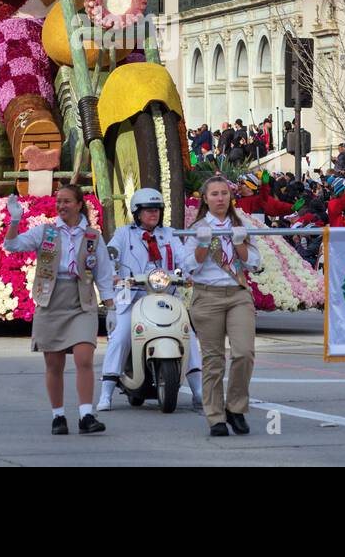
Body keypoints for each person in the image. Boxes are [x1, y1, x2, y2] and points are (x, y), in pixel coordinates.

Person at [2, 184, 113, 435]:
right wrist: (15, 220)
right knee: (54, 364)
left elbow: (104, 274)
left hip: (81, 300)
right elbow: (12, 245)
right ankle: (58, 416)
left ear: (78, 204)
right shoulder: (46, 232)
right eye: (58, 201)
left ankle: (86, 415)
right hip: (51, 300)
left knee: (85, 358)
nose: (61, 206)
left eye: (66, 201)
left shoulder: (93, 237)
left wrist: (112, 308)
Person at [98, 188, 202, 413]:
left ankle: (198, 392)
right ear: (136, 213)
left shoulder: (169, 234)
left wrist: (191, 272)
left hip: (164, 296)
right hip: (134, 297)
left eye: (156, 210)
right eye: (147, 210)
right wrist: (114, 272)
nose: (153, 214)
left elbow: (183, 258)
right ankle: (105, 393)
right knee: (122, 335)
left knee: (188, 335)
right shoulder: (124, 233)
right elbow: (112, 254)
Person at [184, 176, 260, 437]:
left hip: (238, 295)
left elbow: (255, 263)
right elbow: (189, 267)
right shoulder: (198, 227)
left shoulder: (242, 225)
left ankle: (236, 408)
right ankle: (215, 416)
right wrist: (203, 244)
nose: (220, 198)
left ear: (231, 196)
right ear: (205, 199)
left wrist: (240, 244)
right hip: (207, 296)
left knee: (244, 352)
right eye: (214, 194)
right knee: (213, 361)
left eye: (224, 193)